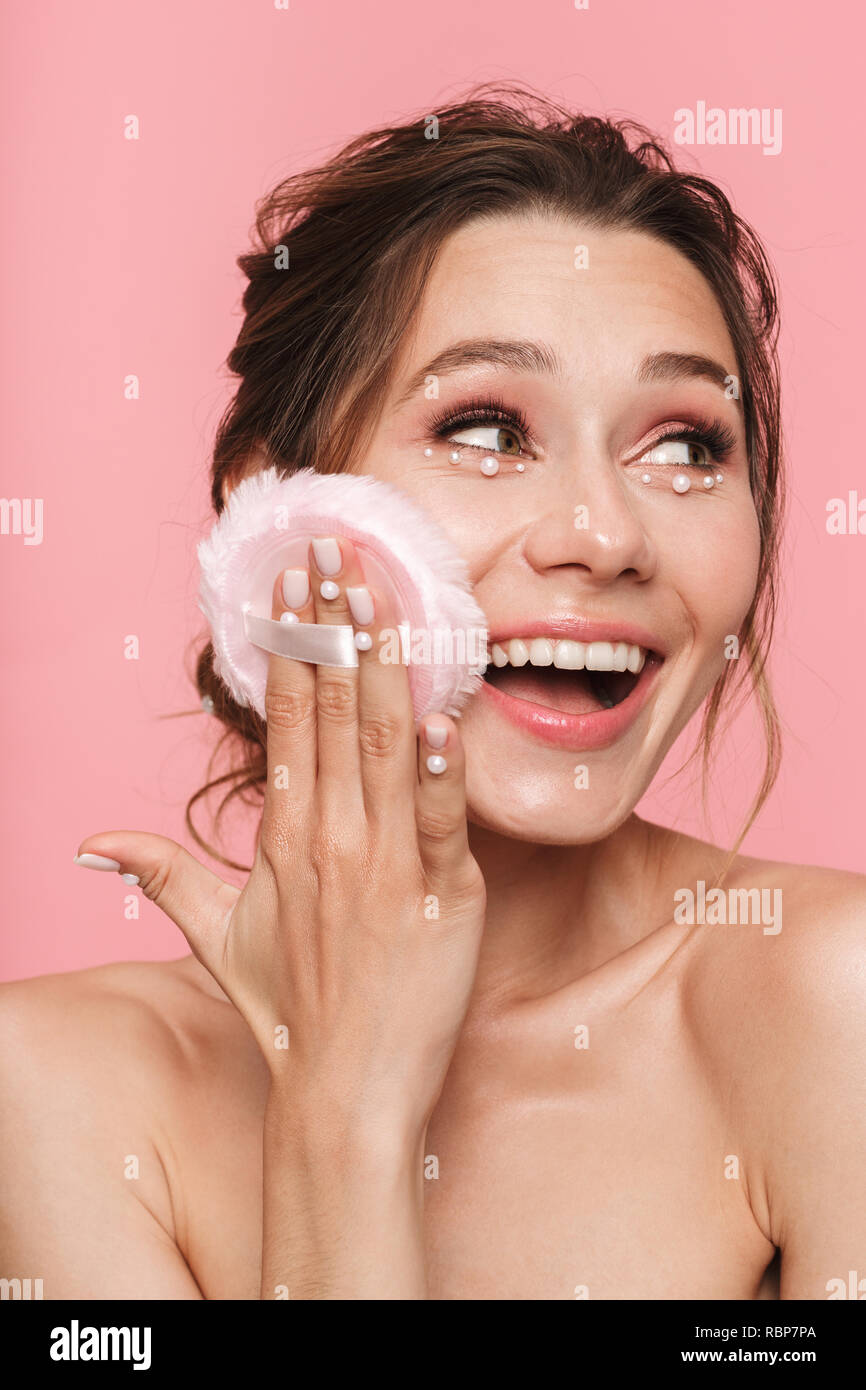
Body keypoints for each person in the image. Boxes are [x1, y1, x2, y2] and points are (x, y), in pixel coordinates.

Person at [3, 88, 865, 1300]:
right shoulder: (52, 1092)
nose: (603, 535)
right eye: (484, 427)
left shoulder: (835, 1007)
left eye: (684, 445)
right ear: (278, 522)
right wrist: (345, 1106)